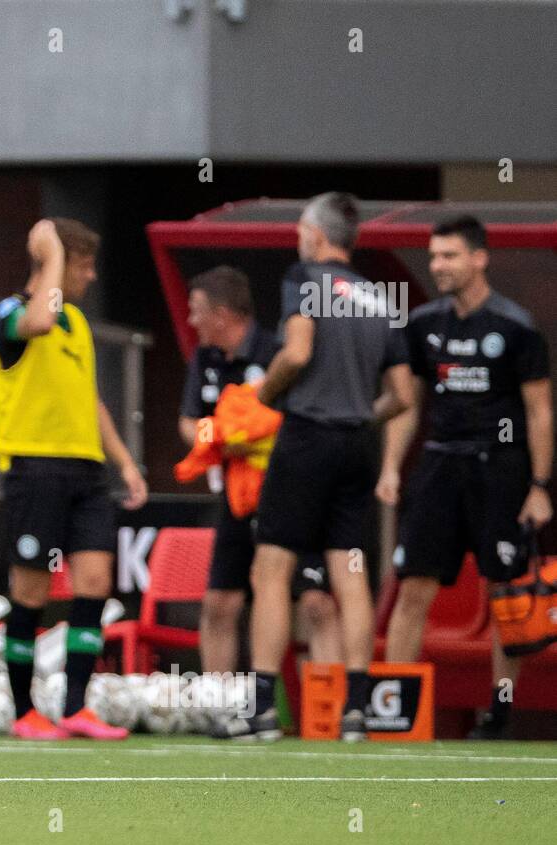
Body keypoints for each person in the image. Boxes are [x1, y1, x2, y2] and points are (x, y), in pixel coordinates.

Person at [221, 192, 415, 741]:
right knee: (350, 574)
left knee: (272, 569)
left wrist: (265, 393)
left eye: (301, 228)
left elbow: (298, 353)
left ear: (317, 235)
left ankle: (260, 710)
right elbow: (402, 394)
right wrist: (360, 415)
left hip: (306, 437)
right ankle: (356, 709)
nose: (298, 238)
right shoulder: (381, 298)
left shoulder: (305, 278)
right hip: (358, 444)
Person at [378, 214, 552, 739]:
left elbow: (539, 411)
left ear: (479, 258)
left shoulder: (516, 326)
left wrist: (539, 487)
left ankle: (497, 712)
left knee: (507, 595)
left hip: (500, 470)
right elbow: (408, 403)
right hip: (438, 467)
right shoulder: (425, 324)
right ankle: (398, 711)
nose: (438, 266)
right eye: (433, 256)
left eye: (449, 255)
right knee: (414, 587)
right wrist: (390, 465)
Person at [0, 218, 149, 740]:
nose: (93, 274)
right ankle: (22, 711)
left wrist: (124, 461)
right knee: (31, 589)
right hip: (34, 467)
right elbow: (37, 321)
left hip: (87, 471)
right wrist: (52, 255)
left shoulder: (76, 323)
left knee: (96, 585)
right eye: (83, 263)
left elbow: (90, 399)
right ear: (53, 261)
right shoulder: (12, 312)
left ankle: (77, 705)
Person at [178, 266, 342, 682]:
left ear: (222, 313)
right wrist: (216, 437)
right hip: (235, 497)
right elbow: (189, 423)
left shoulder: (278, 353)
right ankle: (220, 701)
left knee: (315, 603)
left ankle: (331, 710)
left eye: (197, 311)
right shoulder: (205, 358)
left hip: (289, 494)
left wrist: (254, 437)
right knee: (220, 602)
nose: (192, 321)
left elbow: (296, 419)